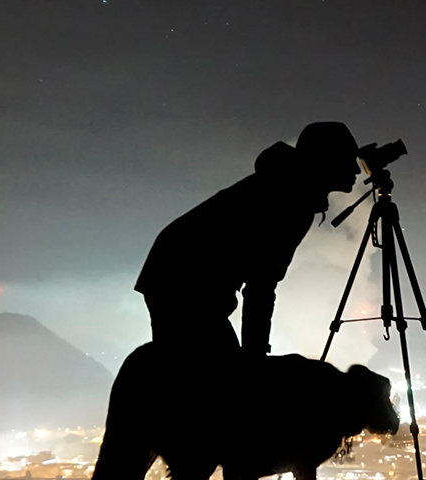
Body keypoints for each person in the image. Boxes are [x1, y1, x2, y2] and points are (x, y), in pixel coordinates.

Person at [135, 121, 361, 360]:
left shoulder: (286, 185)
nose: (357, 170)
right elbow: (261, 286)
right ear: (327, 160)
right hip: (181, 279)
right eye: (349, 160)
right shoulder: (291, 200)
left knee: (197, 369)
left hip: (173, 271)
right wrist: (255, 357)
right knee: (210, 372)